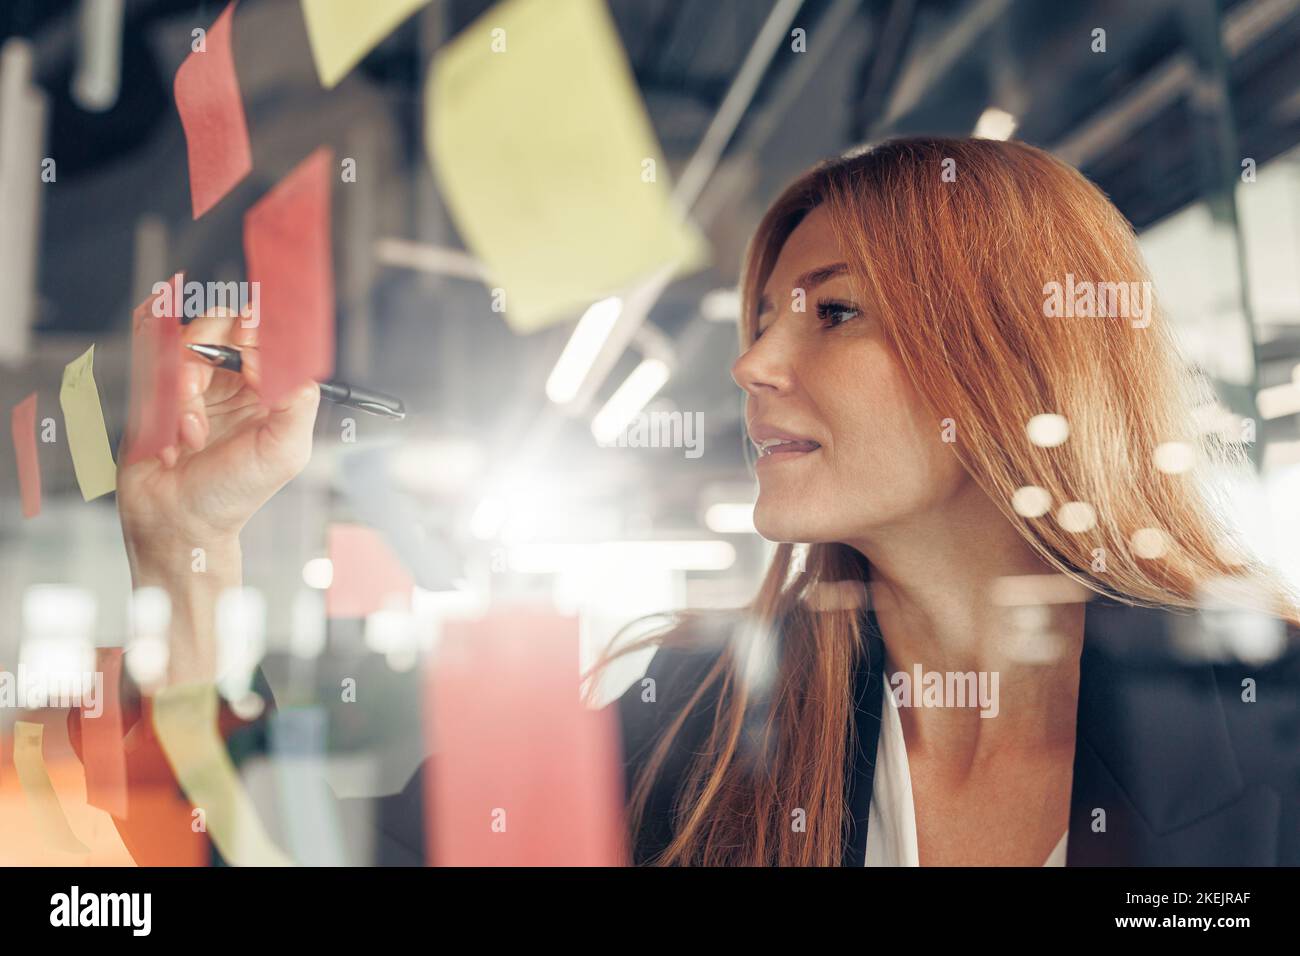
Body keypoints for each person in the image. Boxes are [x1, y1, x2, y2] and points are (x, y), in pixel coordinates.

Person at [81, 136, 1300, 867]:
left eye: (831, 311)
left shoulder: (1267, 734)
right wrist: (185, 551)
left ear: (1009, 355)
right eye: (764, 314)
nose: (754, 362)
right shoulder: (701, 732)